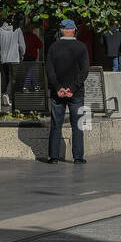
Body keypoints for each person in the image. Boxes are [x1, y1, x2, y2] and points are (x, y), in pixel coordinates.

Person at [45, 19, 89, 163]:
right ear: (73, 30)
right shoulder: (81, 47)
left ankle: (53, 156)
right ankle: (78, 157)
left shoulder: (53, 47)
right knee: (78, 124)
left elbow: (49, 71)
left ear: (61, 30)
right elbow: (84, 71)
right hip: (76, 93)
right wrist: (73, 88)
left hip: (57, 93)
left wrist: (58, 87)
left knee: (56, 124)